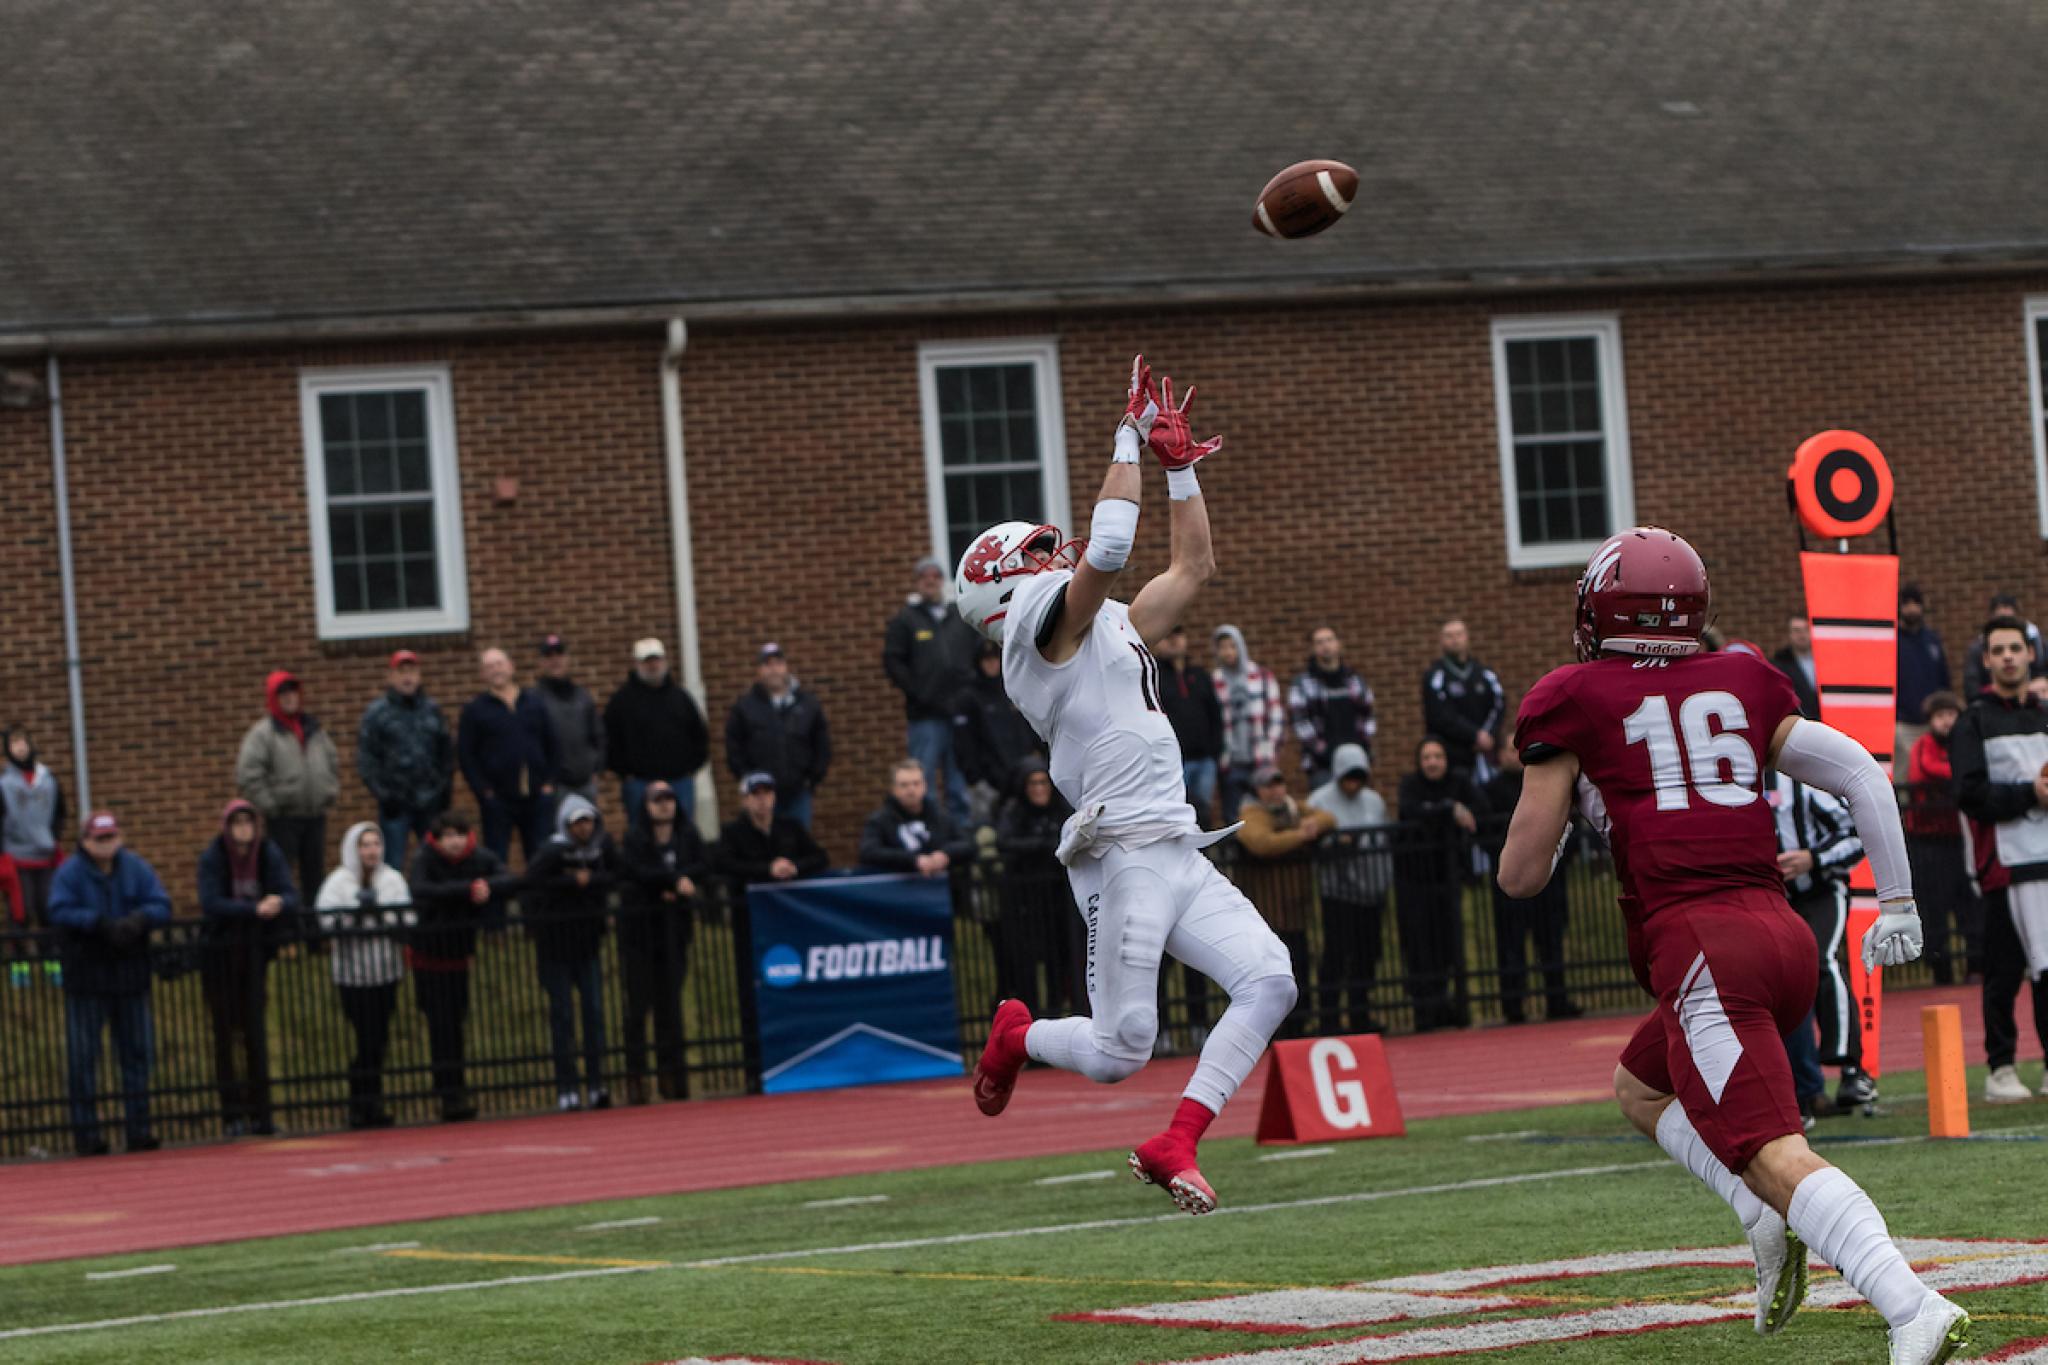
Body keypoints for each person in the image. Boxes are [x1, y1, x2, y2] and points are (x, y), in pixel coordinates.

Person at [1497, 526, 1966, 1362]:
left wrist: (1577, 804)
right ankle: (1757, 1210)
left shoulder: (1572, 695)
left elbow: (1520, 875)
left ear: (1602, 607)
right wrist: (1896, 901)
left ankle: (1910, 1302)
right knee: (1640, 1087)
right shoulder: (1745, 674)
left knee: (1774, 1150)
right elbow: (1861, 769)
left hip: (1705, 948)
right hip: (1777, 932)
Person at [960, 356, 1298, 1217]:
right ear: (1004, 584)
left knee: (1271, 978)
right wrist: (1127, 435)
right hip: (1122, 852)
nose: (1055, 547)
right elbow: (1109, 546)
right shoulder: (1035, 638)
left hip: (1173, 842)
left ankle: (1176, 1137)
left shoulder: (1096, 622)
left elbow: (1193, 570)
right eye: (1038, 548)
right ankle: (1017, 1034)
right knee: (1122, 1047)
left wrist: (1180, 466)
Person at [1948, 615, 2048, 1105]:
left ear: (2031, 655)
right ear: (1987, 660)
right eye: (1999, 650)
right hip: (2005, 866)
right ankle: (2001, 1066)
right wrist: (2030, 793)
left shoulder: (2044, 712)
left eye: (2016, 648)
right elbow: (1970, 793)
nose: (2009, 657)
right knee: (2005, 971)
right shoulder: (1974, 721)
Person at [47, 813, 171, 1155]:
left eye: (111, 837)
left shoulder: (136, 868)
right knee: (83, 1058)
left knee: (137, 1055)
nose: (107, 844)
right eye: (100, 838)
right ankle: (87, 1134)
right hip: (87, 979)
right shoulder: (70, 873)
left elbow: (162, 904)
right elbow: (58, 910)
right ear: (86, 841)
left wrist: (138, 920)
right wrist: (96, 923)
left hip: (130, 977)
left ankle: (139, 1129)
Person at [1764, 768, 1875, 1109]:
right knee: (1780, 980)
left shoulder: (1805, 783)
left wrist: (1813, 858)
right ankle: (1798, 1085)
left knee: (1822, 961)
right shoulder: (1735, 783)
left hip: (1821, 891)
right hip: (1768, 897)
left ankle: (1851, 1067)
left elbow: (1858, 835)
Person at [195, 798, 299, 1136]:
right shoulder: (214, 857)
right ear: (227, 827)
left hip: (255, 956)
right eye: (237, 823)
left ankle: (261, 1113)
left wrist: (278, 901)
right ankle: (232, 1115)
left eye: (248, 822)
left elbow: (290, 892)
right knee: (225, 1036)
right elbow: (211, 903)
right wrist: (252, 909)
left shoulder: (268, 853)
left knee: (256, 1035)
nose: (243, 829)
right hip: (220, 956)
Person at [407, 812, 509, 1121]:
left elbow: (506, 876)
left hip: (459, 956)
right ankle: (446, 1093)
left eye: (459, 834)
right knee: (440, 1026)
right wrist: (466, 890)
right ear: (436, 840)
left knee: (456, 1023)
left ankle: (456, 1089)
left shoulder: (479, 858)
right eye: (447, 836)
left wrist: (485, 887)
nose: (454, 842)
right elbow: (421, 889)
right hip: (428, 956)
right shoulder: (425, 858)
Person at [314, 821, 412, 1130]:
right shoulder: (339, 881)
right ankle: (361, 1102)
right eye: (365, 845)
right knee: (366, 1037)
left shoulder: (392, 879)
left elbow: (407, 917)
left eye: (375, 844)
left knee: (379, 1038)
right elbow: (324, 918)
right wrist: (354, 915)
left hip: (385, 971)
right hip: (353, 975)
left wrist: (383, 914)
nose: (371, 851)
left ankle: (372, 1100)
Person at [522, 794, 616, 1112]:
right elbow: (533, 882)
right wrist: (569, 881)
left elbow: (619, 875)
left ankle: (596, 1083)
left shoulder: (601, 850)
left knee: (594, 1014)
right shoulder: (551, 851)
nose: (584, 828)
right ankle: (567, 1087)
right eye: (577, 822)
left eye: (587, 821)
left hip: (587, 944)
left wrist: (591, 881)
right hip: (554, 946)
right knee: (562, 1016)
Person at [616, 780, 704, 1103]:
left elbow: (702, 865)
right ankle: (636, 1076)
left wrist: (682, 880)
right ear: (647, 805)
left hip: (674, 933)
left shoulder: (688, 835)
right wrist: (672, 880)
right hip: (640, 934)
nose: (664, 805)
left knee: (671, 1007)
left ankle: (672, 1074)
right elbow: (637, 871)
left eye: (669, 798)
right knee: (638, 1008)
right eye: (657, 800)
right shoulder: (636, 837)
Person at [1481, 741, 1580, 1025]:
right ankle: (1513, 1005)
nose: (1515, 754)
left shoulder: (1548, 784)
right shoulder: (1491, 791)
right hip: (1510, 880)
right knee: (1510, 944)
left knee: (1551, 940)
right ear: (1498, 755)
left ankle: (1557, 999)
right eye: (1509, 749)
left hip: (1551, 878)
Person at [1232, 765, 1334, 1038]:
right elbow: (1261, 842)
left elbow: (1327, 818)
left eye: (1279, 784)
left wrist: (1313, 824)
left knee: (1299, 966)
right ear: (1258, 791)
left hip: (1296, 911)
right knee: (1270, 976)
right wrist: (1301, 835)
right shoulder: (1251, 813)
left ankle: (1299, 1026)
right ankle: (1274, 1031)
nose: (1276, 790)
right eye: (1269, 786)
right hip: (1267, 914)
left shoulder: (1292, 808)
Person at [1394, 737, 1483, 1032]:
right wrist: (1448, 809)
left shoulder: (1459, 781)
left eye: (1438, 756)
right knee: (1420, 948)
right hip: (1415, 882)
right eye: (1427, 757)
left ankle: (1449, 1006)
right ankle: (1425, 1012)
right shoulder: (1410, 785)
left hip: (1449, 879)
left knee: (1449, 946)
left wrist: (1454, 806)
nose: (1432, 762)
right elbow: (1410, 810)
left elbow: (1481, 807)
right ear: (1420, 762)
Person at [235, 670, 339, 920]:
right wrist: (271, 806)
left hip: (314, 815)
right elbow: (248, 775)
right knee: (281, 877)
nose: (290, 698)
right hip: (284, 818)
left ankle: (314, 935)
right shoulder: (263, 734)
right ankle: (286, 933)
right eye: (283, 693)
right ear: (273, 698)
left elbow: (332, 762)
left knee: (314, 875)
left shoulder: (314, 729)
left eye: (293, 692)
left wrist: (330, 792)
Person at [884, 555, 978, 829]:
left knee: (958, 781)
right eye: (925, 577)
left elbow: (975, 654)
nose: (931, 581)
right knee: (923, 782)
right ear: (917, 583)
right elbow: (893, 662)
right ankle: (932, 834)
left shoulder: (958, 616)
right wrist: (918, 692)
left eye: (936, 576)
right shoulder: (905, 620)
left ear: (942, 581)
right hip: (925, 716)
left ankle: (960, 835)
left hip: (959, 714)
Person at [1309, 743, 1391, 1034]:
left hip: (1372, 893)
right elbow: (1314, 844)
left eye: (1359, 776)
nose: (1354, 782)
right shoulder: (1320, 800)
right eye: (1349, 776)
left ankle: (1360, 1014)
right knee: (1336, 956)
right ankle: (1329, 1018)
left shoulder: (1374, 801)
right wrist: (1338, 846)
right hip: (1338, 893)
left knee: (1367, 956)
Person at [457, 648, 558, 870]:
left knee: (541, 859)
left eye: (500, 664)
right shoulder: (475, 710)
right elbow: (466, 755)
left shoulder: (535, 703)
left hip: (538, 796)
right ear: (482, 674)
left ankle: (537, 904)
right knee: (496, 860)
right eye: (489, 666)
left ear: (511, 666)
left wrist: (550, 783)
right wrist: (484, 791)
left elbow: (552, 744)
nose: (496, 670)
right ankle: (498, 905)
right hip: (498, 800)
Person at [1905, 692, 1981, 984]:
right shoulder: (1923, 746)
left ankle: (1975, 964)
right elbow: (1926, 769)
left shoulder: (1965, 744)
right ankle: (1942, 970)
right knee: (1934, 907)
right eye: (1941, 716)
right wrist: (1959, 776)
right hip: (1928, 839)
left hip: (1960, 838)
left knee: (1968, 904)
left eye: (1951, 714)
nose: (1947, 721)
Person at [994, 758, 1080, 1013]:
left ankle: (1057, 1017)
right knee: (1025, 972)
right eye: (1032, 783)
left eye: (1043, 782)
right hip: (1024, 906)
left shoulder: (1060, 809)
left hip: (1058, 904)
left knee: (1059, 967)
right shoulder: (1013, 812)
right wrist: (1042, 846)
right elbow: (1004, 842)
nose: (1038, 789)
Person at [356, 649, 455, 866]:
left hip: (429, 803)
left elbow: (446, 754)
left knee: (435, 862)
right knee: (393, 862)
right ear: (391, 677)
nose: (407, 677)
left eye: (412, 671)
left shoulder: (432, 710)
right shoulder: (377, 713)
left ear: (419, 675)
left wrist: (442, 792)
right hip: (395, 806)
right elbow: (366, 760)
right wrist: (385, 795)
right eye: (401, 672)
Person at [724, 642, 831, 830]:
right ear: (759, 670)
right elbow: (734, 747)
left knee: (798, 846)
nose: (773, 670)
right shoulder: (745, 707)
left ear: (786, 667)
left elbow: (822, 744)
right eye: (767, 664)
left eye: (778, 663)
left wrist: (812, 778)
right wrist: (747, 778)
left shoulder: (808, 704)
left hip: (798, 793)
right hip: (760, 795)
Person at [605, 638, 710, 828]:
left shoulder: (681, 698)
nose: (653, 665)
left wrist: (690, 768)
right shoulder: (622, 701)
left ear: (664, 661)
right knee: (640, 835)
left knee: (684, 833)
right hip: (639, 783)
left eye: (656, 660)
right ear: (637, 664)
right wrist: (625, 772)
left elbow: (700, 736)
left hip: (679, 781)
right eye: (647, 661)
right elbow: (609, 739)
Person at [951, 638, 1041, 828]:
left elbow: (1030, 729)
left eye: (995, 659)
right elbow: (964, 743)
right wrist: (975, 779)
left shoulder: (1012, 690)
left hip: (1021, 777)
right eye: (986, 660)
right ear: (978, 662)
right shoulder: (968, 698)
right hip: (989, 781)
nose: (992, 664)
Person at [1209, 624, 1284, 828]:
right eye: (1223, 647)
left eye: (1232, 646)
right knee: (1233, 813)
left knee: (1264, 811)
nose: (1228, 652)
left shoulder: (1261, 676)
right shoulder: (1215, 681)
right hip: (1231, 760)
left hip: (1260, 757)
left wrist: (1270, 748)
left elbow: (1275, 715)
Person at [1288, 625, 1376, 789]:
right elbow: (1300, 723)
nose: (1325, 646)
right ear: (1312, 649)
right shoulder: (1302, 684)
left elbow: (1368, 716)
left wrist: (1362, 745)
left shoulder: (1355, 680)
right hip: (1321, 765)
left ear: (1338, 644)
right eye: (1319, 642)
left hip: (1356, 760)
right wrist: (1324, 751)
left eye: (1329, 640)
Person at [1, 723, 66, 939]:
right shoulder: (4, 784)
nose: (19, 747)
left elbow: (59, 812)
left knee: (48, 911)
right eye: (13, 743)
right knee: (21, 913)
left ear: (30, 745)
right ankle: (21, 968)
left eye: (22, 742)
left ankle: (53, 965)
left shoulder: (48, 779)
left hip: (45, 855)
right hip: (17, 858)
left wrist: (53, 837)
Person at [1154, 625, 1223, 826]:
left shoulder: (1199, 675)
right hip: (1174, 763)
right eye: (1166, 635)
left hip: (1205, 759)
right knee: (1177, 817)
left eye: (1177, 634)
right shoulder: (1153, 676)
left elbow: (1215, 714)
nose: (1173, 640)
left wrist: (1215, 751)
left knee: (1204, 814)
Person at [713, 773, 830, 890]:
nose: (762, 799)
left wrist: (794, 867)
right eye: (755, 793)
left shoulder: (791, 827)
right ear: (745, 800)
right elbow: (724, 865)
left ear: (774, 797)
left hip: (792, 896)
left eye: (767, 793)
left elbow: (820, 857)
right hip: (751, 900)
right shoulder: (732, 832)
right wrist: (768, 869)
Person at [859, 759, 972, 877]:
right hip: (898, 890)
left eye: (916, 783)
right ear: (893, 789)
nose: (911, 790)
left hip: (940, 890)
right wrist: (913, 860)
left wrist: (945, 855)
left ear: (924, 786)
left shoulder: (940, 816)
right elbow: (868, 852)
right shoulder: (879, 821)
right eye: (904, 785)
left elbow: (967, 844)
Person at [1422, 619, 1505, 780]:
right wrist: (1474, 735)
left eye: (1459, 634)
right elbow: (1440, 714)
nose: (1455, 639)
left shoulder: (1485, 674)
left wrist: (1487, 734)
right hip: (1453, 756)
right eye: (1449, 635)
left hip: (1487, 753)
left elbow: (1499, 704)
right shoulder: (1436, 676)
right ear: (1441, 640)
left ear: (1467, 637)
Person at [533, 635, 606, 807]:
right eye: (549, 656)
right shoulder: (534, 699)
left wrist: (597, 769)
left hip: (586, 783)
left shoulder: (582, 696)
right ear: (542, 663)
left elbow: (598, 735)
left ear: (567, 659)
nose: (555, 660)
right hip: (555, 786)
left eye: (559, 655)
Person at [1895, 585, 1950, 765]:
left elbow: (1943, 678)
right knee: (1904, 776)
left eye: (1916, 604)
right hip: (1903, 723)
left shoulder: (1931, 640)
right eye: (1907, 604)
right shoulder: (1893, 641)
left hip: (1932, 723)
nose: (1912, 609)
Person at [1962, 592, 2048, 698]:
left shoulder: (2037, 642)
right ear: (1986, 658)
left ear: (2030, 653)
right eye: (1997, 651)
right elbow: (1972, 685)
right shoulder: (1977, 649)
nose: (2008, 656)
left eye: (2015, 649)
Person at [1771, 617, 1822, 721]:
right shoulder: (1780, 664)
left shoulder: (1826, 659)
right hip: (1800, 724)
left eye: (1806, 629)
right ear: (1789, 635)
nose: (1802, 635)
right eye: (1796, 630)